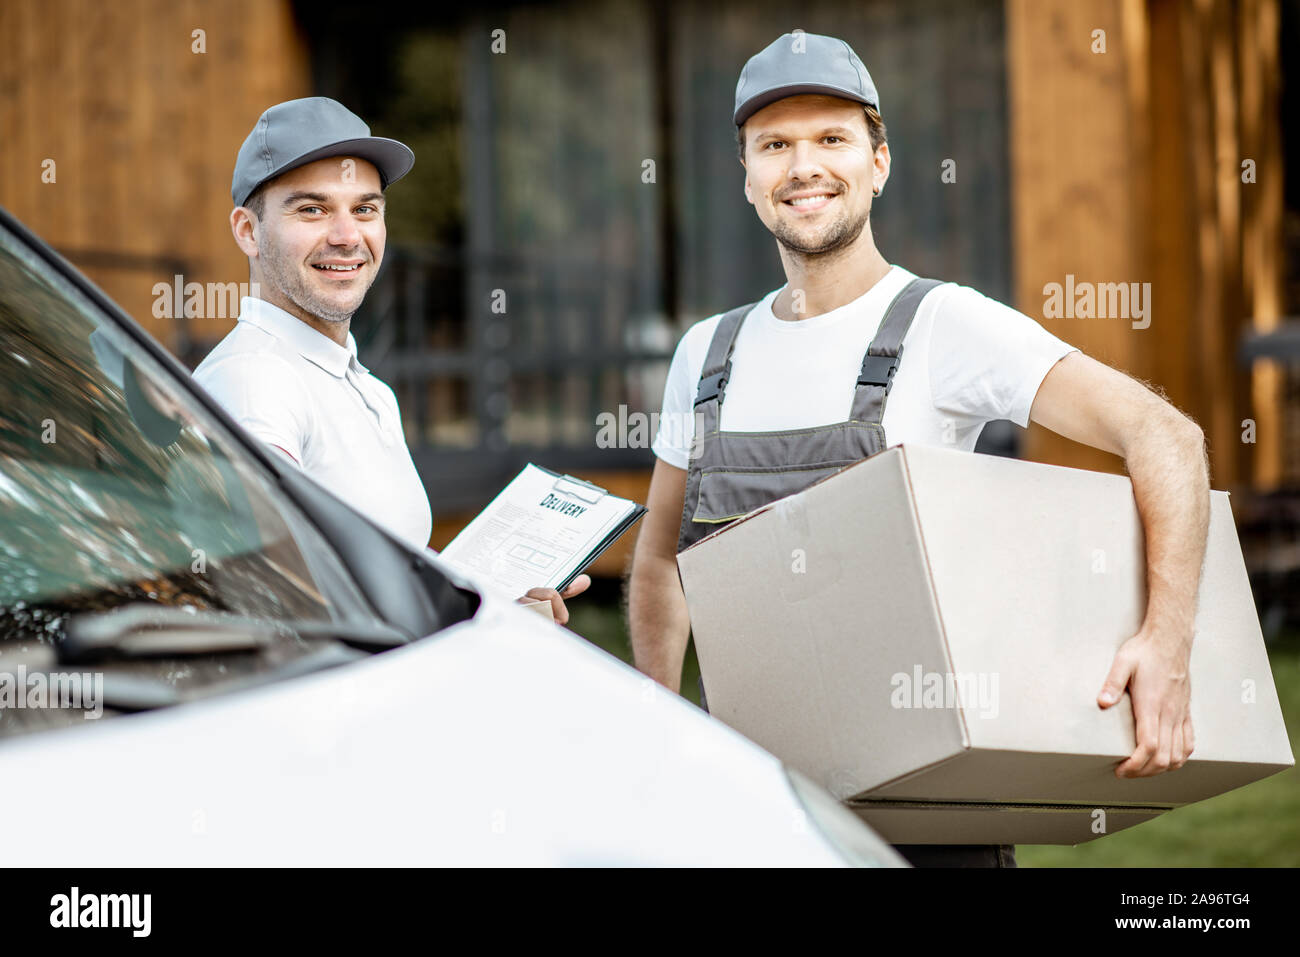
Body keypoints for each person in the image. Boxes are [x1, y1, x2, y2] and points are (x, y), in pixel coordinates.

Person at [627, 33, 1210, 867]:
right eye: (776, 145)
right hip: (760, 814)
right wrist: (659, 722)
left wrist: (1168, 641)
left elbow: (1165, 435)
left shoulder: (944, 325)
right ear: (748, 178)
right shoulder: (706, 354)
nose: (805, 166)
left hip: (932, 819)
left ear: (880, 162)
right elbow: (659, 560)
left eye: (833, 139)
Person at [194, 97, 587, 622]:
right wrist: (471, 629)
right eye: (312, 209)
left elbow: (377, 580)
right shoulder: (253, 379)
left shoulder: (369, 389)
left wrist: (490, 606)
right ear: (248, 231)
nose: (346, 236)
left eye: (365, 208)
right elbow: (281, 600)